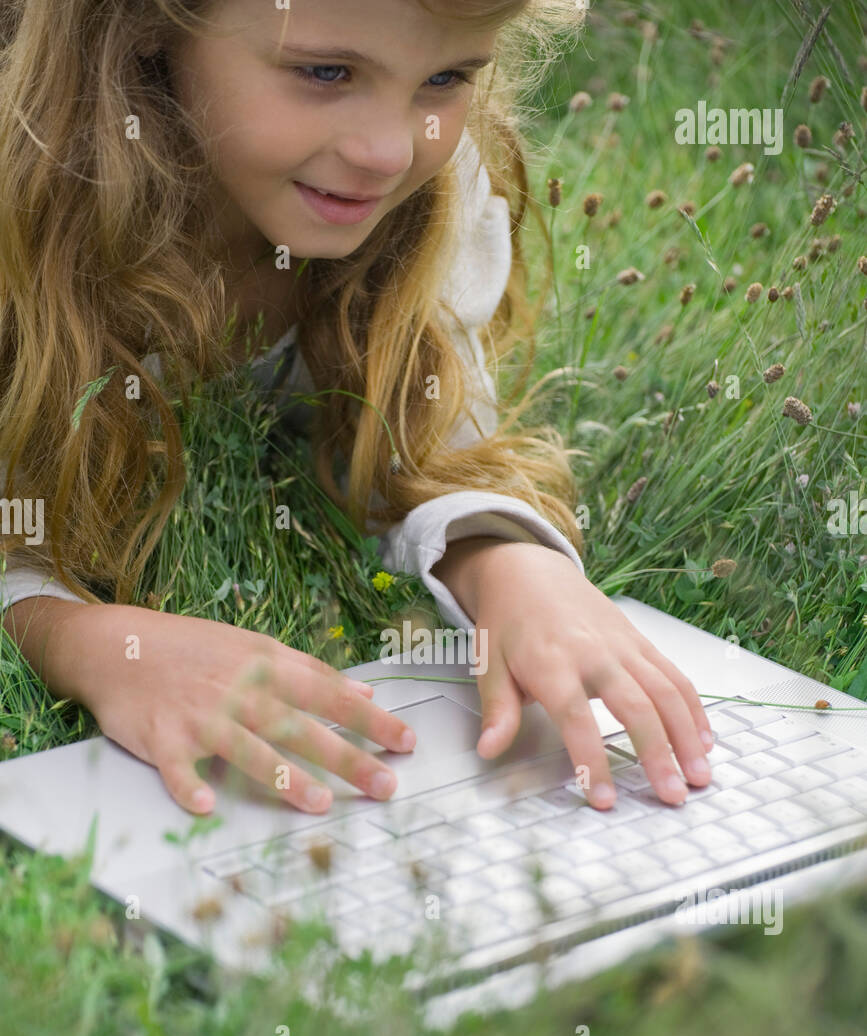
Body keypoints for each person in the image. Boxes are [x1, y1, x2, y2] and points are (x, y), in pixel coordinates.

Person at [0, 0, 714, 821]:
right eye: (325, 72)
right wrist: (83, 642)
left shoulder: (434, 194)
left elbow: (422, 443)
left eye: (444, 79)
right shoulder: (34, 206)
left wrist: (504, 562)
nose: (390, 150)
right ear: (148, 27)